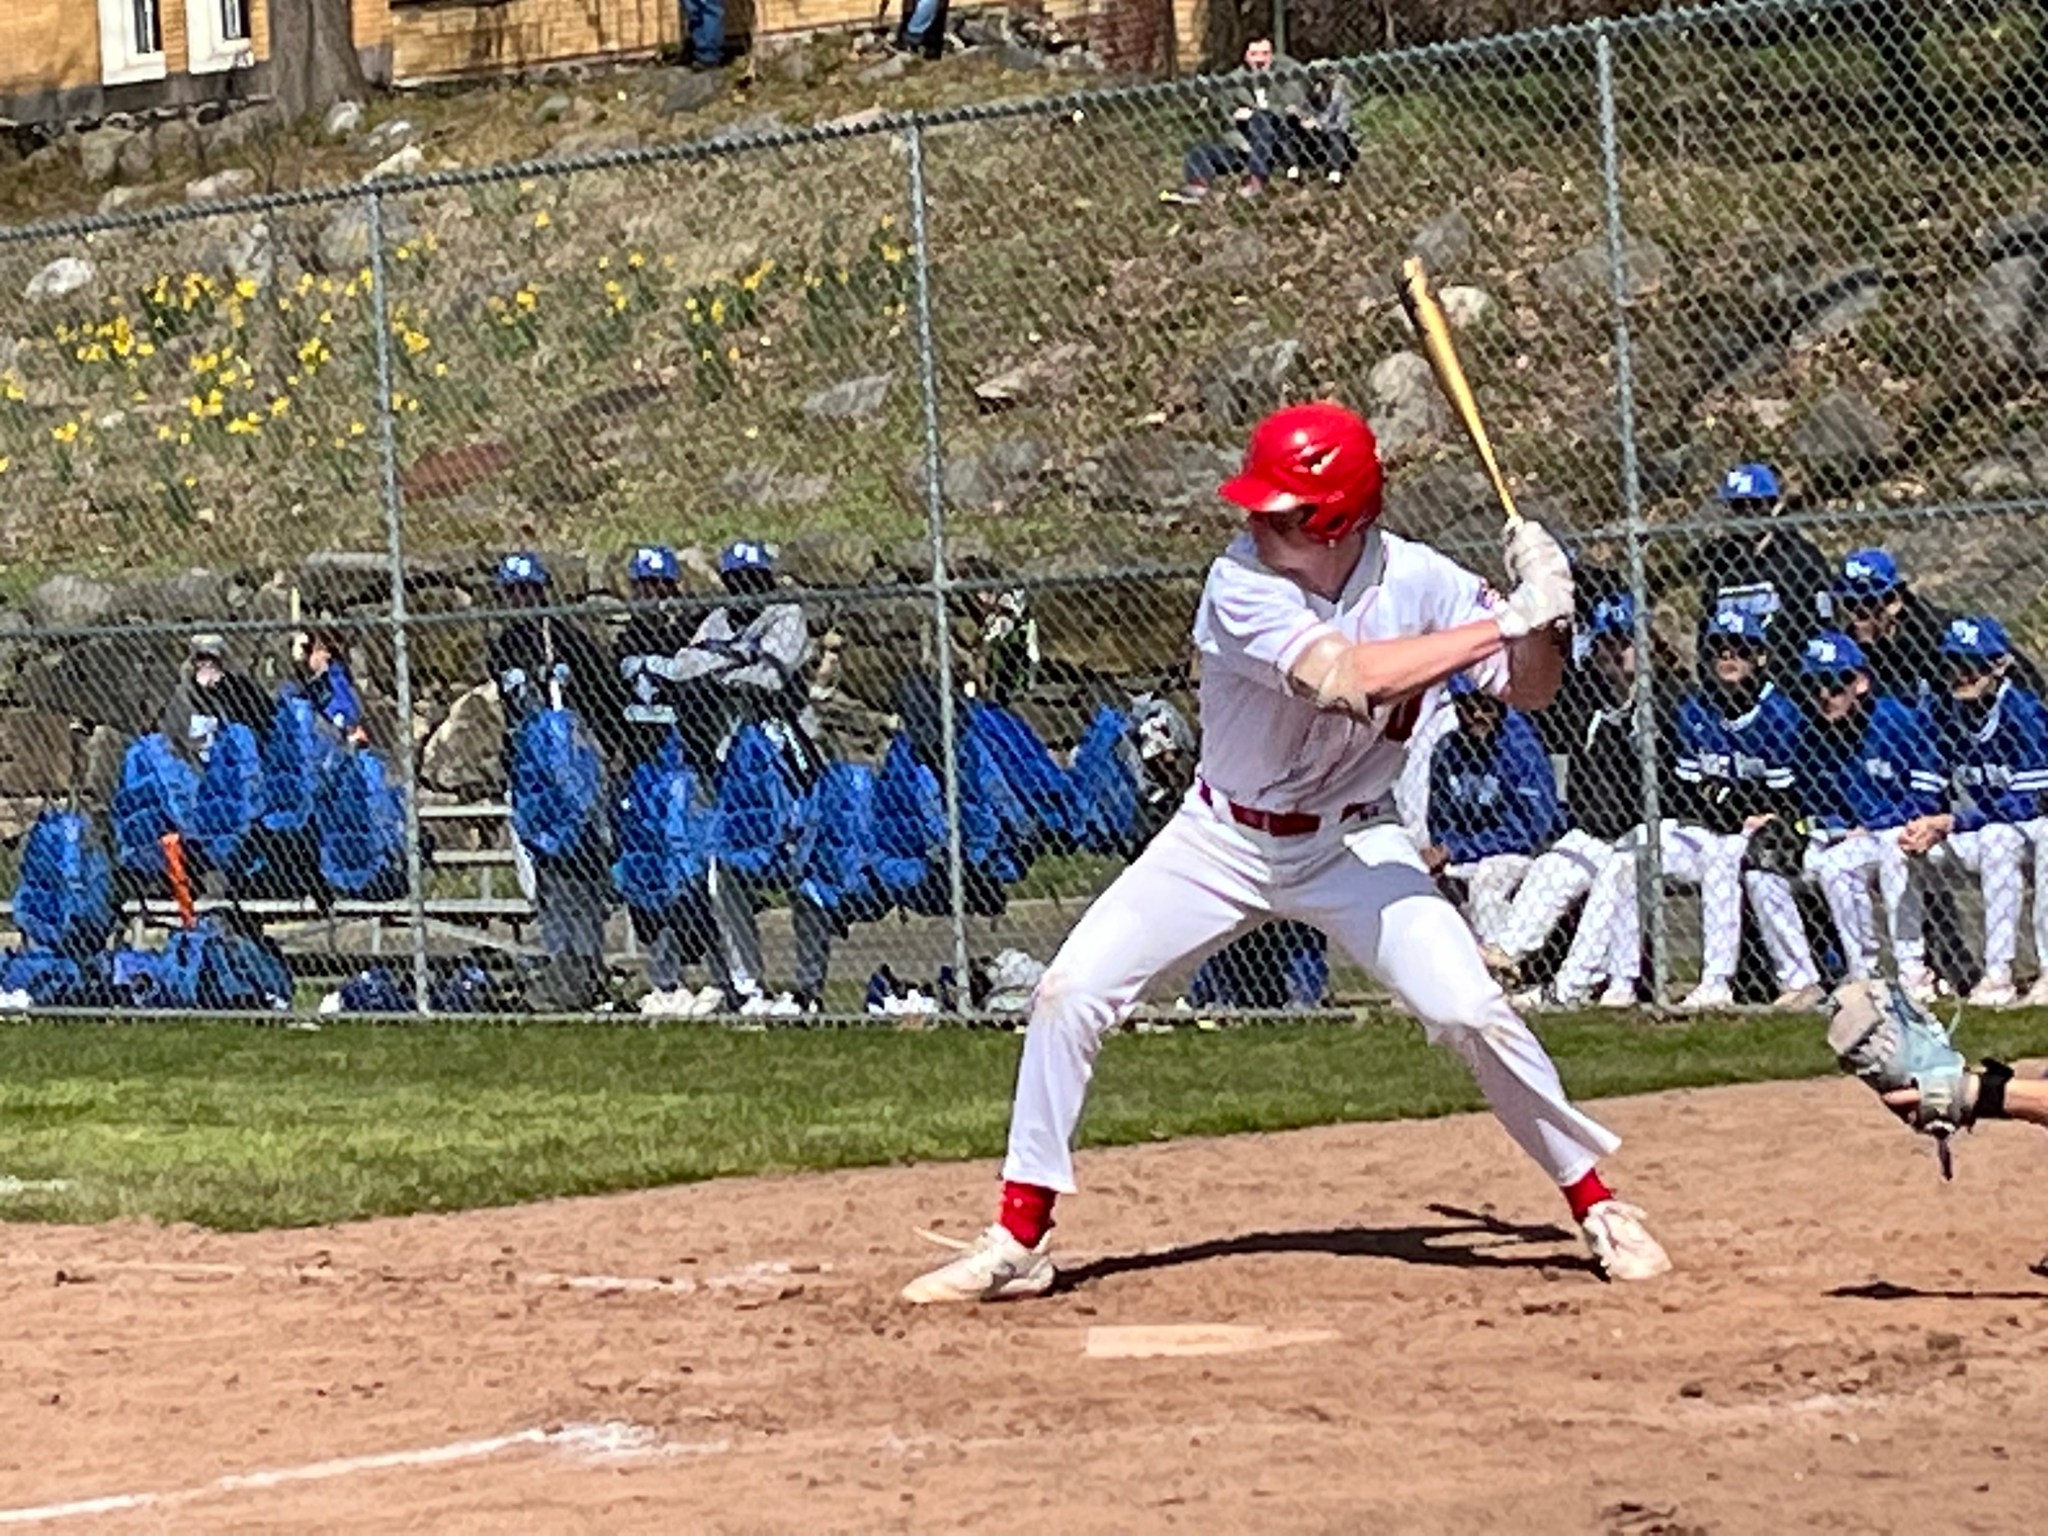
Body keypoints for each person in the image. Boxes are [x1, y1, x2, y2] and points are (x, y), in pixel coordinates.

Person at [900, 401, 1670, 1306]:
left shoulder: (1423, 579)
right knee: (1069, 992)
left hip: (1355, 840)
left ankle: (1596, 1203)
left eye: (1282, 513)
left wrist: (1547, 621)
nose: (1257, 524)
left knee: (1469, 1010)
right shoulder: (1240, 583)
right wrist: (1500, 623)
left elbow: (1532, 691)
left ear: (1339, 520)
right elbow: (1345, 680)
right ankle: (1020, 1238)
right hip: (1219, 839)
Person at [1544, 610, 1818, 1012]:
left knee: (1722, 858)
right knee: (1629, 853)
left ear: (1760, 656)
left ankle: (1716, 983)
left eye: (1740, 648)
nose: (1728, 656)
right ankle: (1621, 982)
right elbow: (1687, 792)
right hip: (1705, 826)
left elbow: (1783, 802)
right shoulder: (1696, 708)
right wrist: (1731, 800)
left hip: (1754, 837)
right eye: (1719, 647)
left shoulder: (1779, 715)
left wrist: (1727, 800)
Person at [1489, 592, 1681, 1002]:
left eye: (1624, 641)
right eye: (1606, 642)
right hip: (1599, 831)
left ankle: (1569, 988)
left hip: (1656, 830)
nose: (1614, 651)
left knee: (1615, 872)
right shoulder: (1589, 701)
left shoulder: (1668, 701)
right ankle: (1503, 961)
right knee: (1553, 866)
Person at [680, 540, 833, 1015]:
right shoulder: (718, 619)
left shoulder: (787, 614)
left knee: (804, 867)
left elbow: (770, 677)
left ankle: (809, 988)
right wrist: (738, 660)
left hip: (790, 761)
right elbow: (684, 668)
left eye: (755, 580)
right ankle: (748, 987)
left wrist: (720, 664)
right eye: (738, 581)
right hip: (734, 769)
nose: (747, 589)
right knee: (723, 871)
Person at [1880, 616, 2048, 1009]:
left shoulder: (2026, 713)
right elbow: (1927, 783)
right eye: (1952, 663)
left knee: (1999, 837)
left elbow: (2028, 802)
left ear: (1999, 665)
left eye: (1971, 663)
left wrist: (1952, 822)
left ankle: (2004, 973)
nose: (1960, 674)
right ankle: (1912, 976)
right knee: (1896, 844)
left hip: (2032, 832)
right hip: (1977, 832)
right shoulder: (1941, 713)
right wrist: (1921, 823)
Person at [486, 551, 622, 1012]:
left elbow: (605, 701)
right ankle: (560, 961)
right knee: (543, 874)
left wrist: (598, 758)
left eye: (528, 591)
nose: (520, 600)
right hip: (531, 774)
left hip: (572, 770)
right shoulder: (504, 647)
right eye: (513, 593)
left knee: (579, 869)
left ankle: (585, 965)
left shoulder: (569, 640)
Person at [1792, 631, 1946, 986]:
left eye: (1835, 683)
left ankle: (1913, 970)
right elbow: (1819, 805)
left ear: (1860, 683)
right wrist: (1831, 829)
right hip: (1856, 838)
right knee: (1826, 864)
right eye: (1814, 684)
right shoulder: (1813, 734)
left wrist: (1874, 825)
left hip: (1913, 832)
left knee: (1895, 847)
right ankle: (1863, 973)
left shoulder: (1900, 721)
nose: (1824, 694)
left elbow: (1928, 798)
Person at [612, 545, 724, 1018]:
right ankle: (666, 982)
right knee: (648, 874)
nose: (652, 595)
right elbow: (608, 706)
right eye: (644, 587)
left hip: (685, 768)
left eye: (660, 586)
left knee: (696, 874)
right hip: (640, 772)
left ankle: (724, 978)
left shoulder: (690, 639)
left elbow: (706, 703)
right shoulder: (624, 644)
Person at [1423, 674, 1563, 950]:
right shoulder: (1447, 750)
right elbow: (1440, 821)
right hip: (1467, 852)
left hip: (1522, 853)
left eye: (1485, 705)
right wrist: (1444, 850)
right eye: (1468, 706)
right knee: (1426, 881)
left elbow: (1529, 832)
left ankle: (1495, 963)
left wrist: (1455, 849)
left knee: (1489, 877)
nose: (1478, 714)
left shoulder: (1519, 749)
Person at [1693, 463, 1833, 662]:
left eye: (1756, 503)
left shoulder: (1803, 558)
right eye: (1738, 505)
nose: (1747, 513)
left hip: (1787, 673)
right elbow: (1706, 630)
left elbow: (1823, 627)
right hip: (1734, 674)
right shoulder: (1722, 561)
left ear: (1774, 504)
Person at [1162, 38, 1314, 204]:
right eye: (1254, 54)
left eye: (1265, 54)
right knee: (1199, 152)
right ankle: (1198, 188)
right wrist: (1241, 138)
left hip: (1281, 143)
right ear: (1246, 57)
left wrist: (1254, 114)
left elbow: (1292, 108)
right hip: (1246, 145)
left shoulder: (1287, 74)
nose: (1260, 59)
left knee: (1262, 119)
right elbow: (1228, 122)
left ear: (1272, 55)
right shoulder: (1234, 82)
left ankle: (1256, 179)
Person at [159, 632, 272, 767]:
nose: (207, 666)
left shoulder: (241, 689)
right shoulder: (184, 696)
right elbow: (171, 735)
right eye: (201, 660)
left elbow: (265, 719)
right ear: (195, 663)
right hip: (199, 763)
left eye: (211, 661)